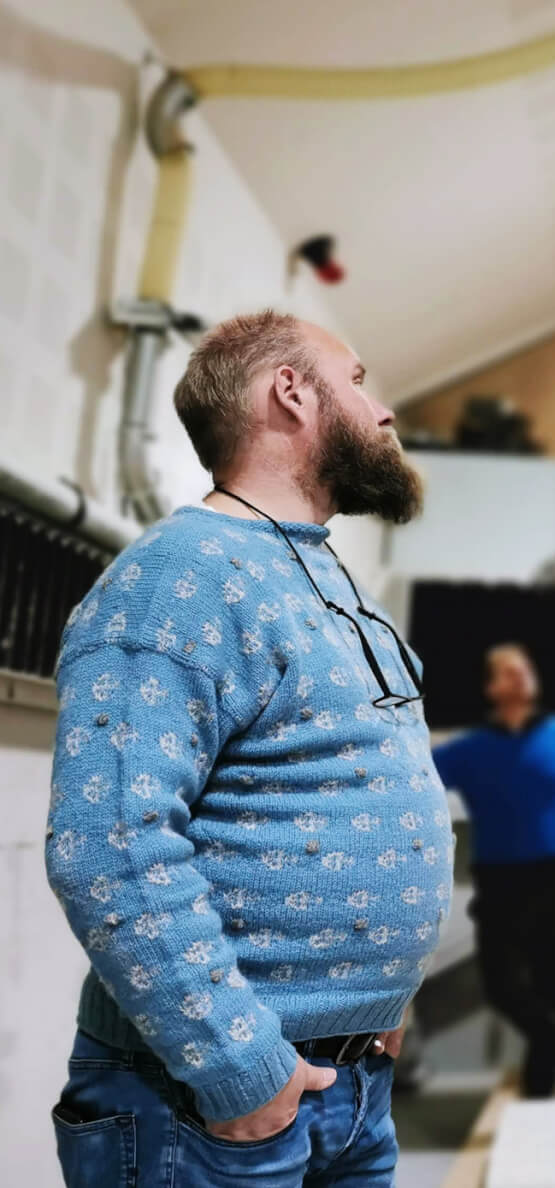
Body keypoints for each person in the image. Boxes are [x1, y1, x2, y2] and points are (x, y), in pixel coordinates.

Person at [43, 310, 452, 1187]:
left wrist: (376, 998)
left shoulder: (322, 574)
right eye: (357, 381)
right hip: (211, 1104)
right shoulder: (176, 576)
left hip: (348, 1085)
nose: (382, 410)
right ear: (291, 392)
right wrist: (240, 1068)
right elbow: (108, 845)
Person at [431, 644, 555, 1098]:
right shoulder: (469, 750)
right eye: (509, 672)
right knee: (502, 987)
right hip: (499, 881)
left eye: (525, 670)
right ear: (490, 687)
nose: (521, 677)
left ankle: (551, 1089)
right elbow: (420, 783)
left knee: (553, 988)